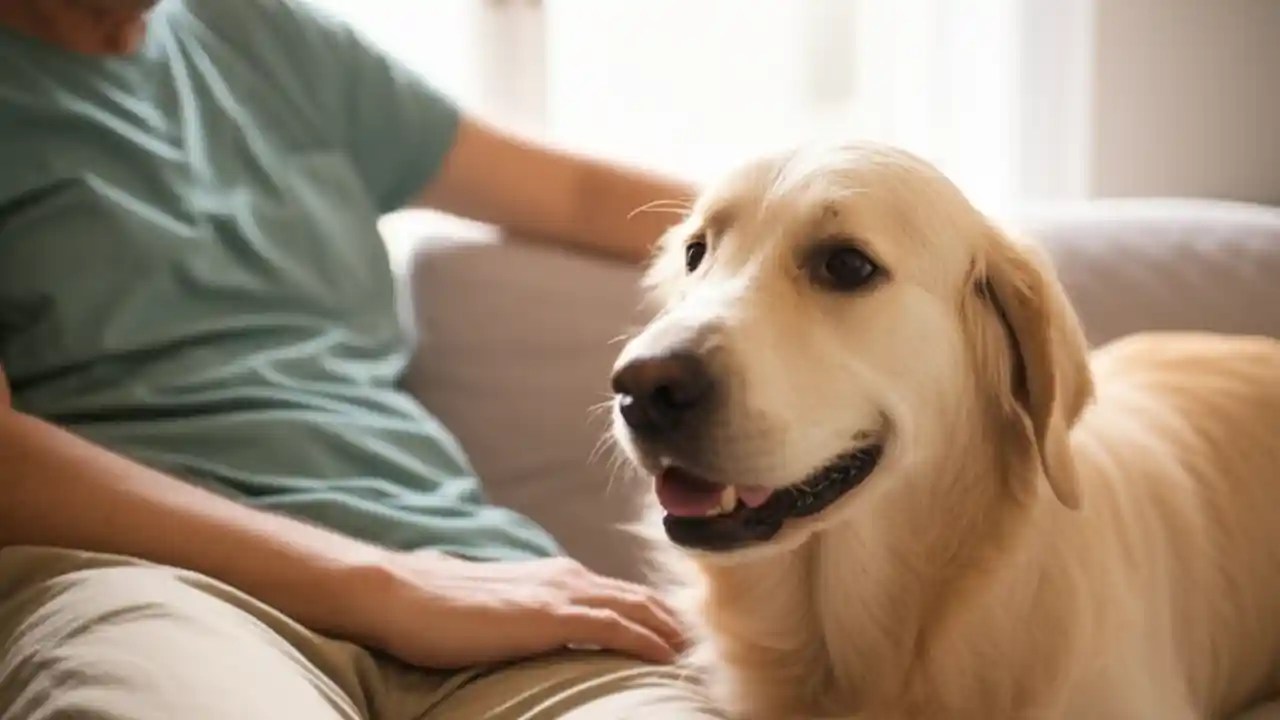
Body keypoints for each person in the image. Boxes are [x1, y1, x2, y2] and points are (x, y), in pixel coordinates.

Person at [0, 0, 725, 717]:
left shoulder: (262, 33)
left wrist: (815, 242)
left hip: (478, 578)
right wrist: (386, 586)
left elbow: (576, 196)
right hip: (161, 587)